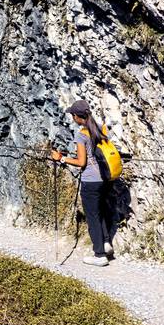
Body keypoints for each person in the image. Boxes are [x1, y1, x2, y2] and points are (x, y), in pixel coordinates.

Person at [50, 99, 115, 266]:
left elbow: (81, 162)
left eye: (72, 115)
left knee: (92, 217)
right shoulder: (100, 128)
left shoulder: (81, 135)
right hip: (105, 179)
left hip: (90, 181)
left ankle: (99, 255)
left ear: (77, 116)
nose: (72, 117)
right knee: (99, 212)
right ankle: (106, 243)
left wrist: (61, 158)